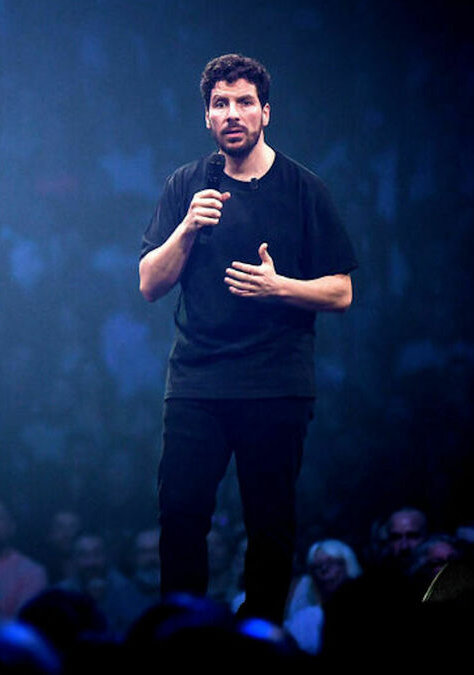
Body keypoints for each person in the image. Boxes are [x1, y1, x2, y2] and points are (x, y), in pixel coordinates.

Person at [138, 54, 357, 623]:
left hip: (274, 381)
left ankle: (260, 636)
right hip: (197, 380)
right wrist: (187, 228)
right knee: (181, 514)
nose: (231, 113)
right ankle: (182, 634)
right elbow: (149, 284)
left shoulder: (303, 188)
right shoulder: (187, 185)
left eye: (243, 102)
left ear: (265, 112)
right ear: (207, 117)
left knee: (270, 523)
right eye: (220, 104)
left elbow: (341, 292)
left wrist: (279, 286)